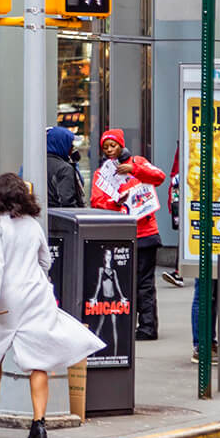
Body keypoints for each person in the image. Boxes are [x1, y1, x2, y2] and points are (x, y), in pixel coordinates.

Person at [0, 173, 105, 438]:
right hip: (37, 296)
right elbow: (46, 260)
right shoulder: (32, 224)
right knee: (38, 360)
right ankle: (38, 426)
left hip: (7, 299)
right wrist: (39, 282)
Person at [90, 128, 166, 340]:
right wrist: (115, 202)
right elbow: (96, 201)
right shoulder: (102, 173)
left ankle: (148, 327)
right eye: (105, 147)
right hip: (120, 233)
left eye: (112, 145)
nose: (109, 150)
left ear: (121, 145)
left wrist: (133, 169)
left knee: (145, 284)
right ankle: (126, 325)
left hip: (145, 232)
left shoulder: (138, 162)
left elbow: (159, 176)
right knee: (123, 283)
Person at [46, 126, 85, 209]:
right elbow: (67, 202)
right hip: (59, 217)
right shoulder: (64, 169)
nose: (72, 149)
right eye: (70, 145)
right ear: (62, 144)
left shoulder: (36, 165)